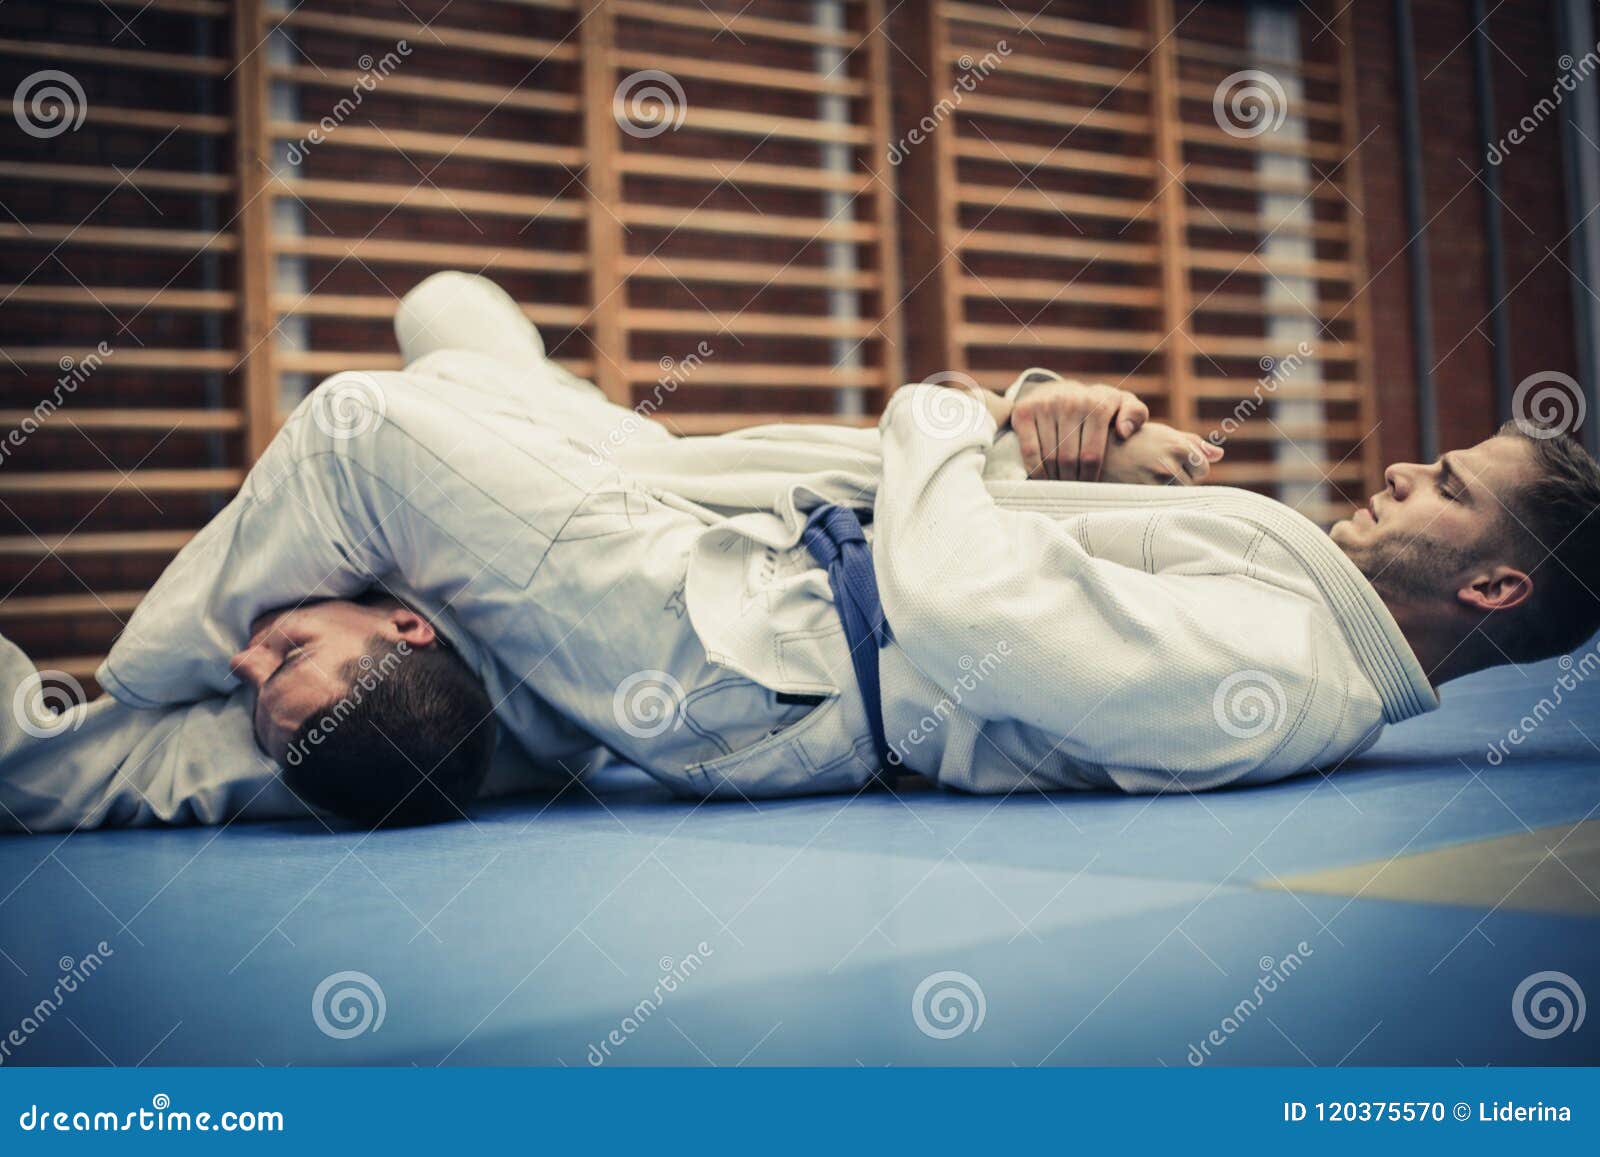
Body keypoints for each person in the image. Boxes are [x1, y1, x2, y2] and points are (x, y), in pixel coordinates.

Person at [3, 274, 1596, 831]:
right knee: (455, 345)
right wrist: (1083, 435)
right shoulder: (1300, 607)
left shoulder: (1286, 667)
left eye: (1448, 482)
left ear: (1494, 585)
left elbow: (968, 612)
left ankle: (114, 675)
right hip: (725, 602)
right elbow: (1033, 558)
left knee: (365, 430)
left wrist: (960, 407)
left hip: (724, 638)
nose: (1405, 462)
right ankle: (36, 753)